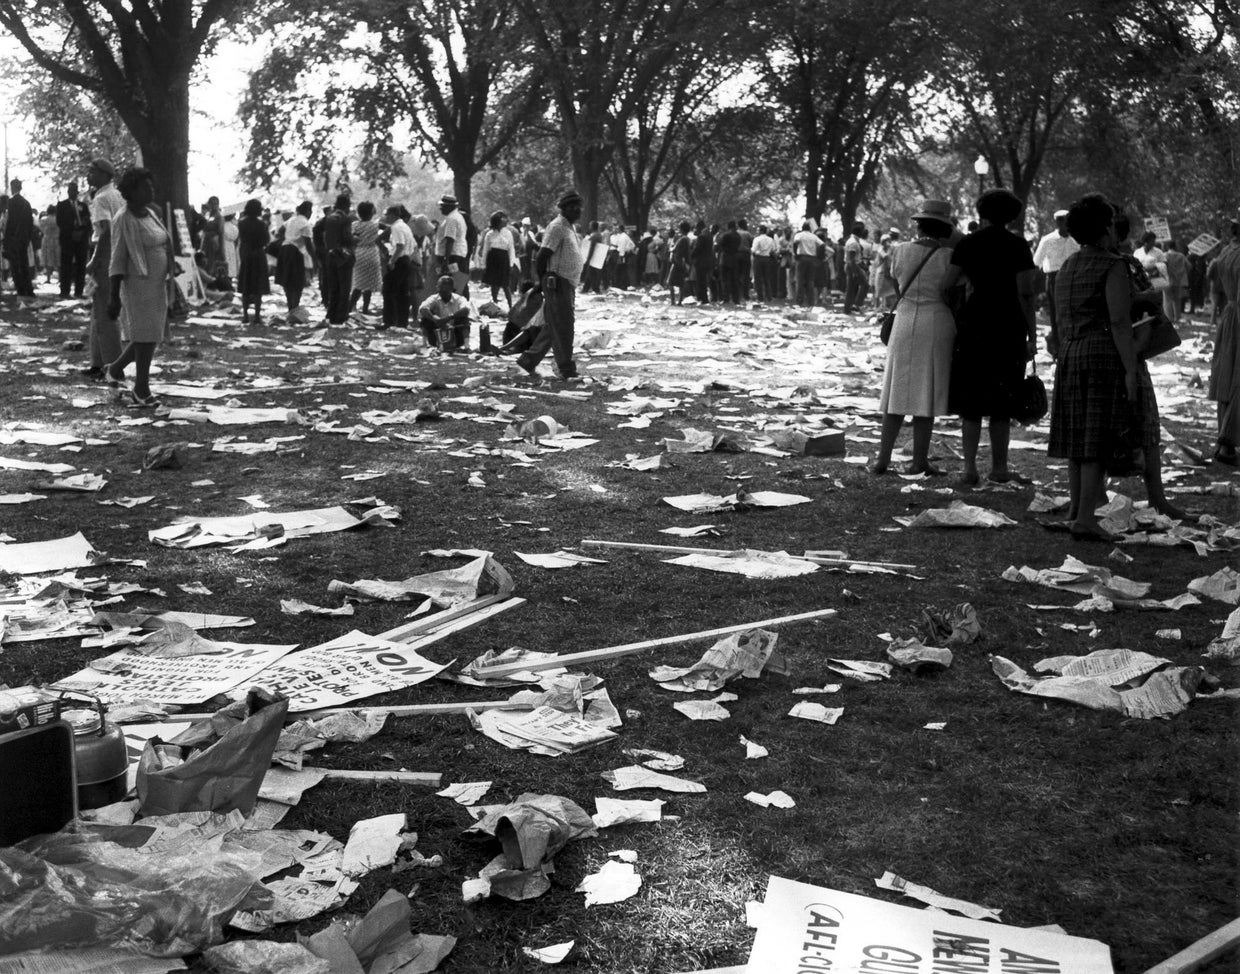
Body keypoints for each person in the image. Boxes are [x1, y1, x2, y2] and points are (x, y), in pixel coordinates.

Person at [1048, 195, 1157, 540]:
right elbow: (1119, 322)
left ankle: (1076, 510)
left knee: (1077, 434)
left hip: (1071, 351)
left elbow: (1063, 317)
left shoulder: (1068, 265)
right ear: (1105, 227)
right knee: (1096, 435)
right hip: (1101, 353)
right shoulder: (1113, 266)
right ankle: (1085, 518)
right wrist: (1129, 369)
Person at [944, 188, 1037, 486]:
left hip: (974, 323)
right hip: (1008, 325)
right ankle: (999, 468)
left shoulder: (968, 244)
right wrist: (1032, 334)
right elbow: (1025, 292)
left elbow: (947, 284)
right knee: (1002, 400)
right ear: (1011, 215)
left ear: (981, 212)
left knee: (970, 401)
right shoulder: (1018, 245)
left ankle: (969, 468)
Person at [869, 201, 957, 476]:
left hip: (905, 320)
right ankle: (919, 459)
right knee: (926, 392)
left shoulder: (900, 251)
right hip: (937, 320)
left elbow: (897, 287)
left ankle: (882, 458)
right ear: (945, 227)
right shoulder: (949, 256)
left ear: (919, 225)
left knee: (897, 389)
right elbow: (952, 293)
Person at [105, 167, 173, 407]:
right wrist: (114, 296)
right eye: (146, 186)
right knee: (144, 336)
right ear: (132, 192)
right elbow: (117, 259)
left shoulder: (152, 213)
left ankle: (115, 369)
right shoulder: (123, 218)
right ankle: (140, 388)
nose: (151, 190)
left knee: (151, 336)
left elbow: (163, 242)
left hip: (157, 285)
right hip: (138, 285)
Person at [517, 189, 585, 380]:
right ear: (564, 209)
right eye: (573, 207)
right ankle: (566, 368)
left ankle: (528, 360)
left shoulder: (569, 227)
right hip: (557, 282)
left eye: (579, 207)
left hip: (567, 282)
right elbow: (542, 257)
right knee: (564, 326)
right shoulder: (557, 227)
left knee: (553, 325)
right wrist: (542, 282)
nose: (577, 210)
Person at [83, 157, 124, 379]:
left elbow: (105, 231)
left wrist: (95, 260)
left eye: (92, 171)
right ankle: (97, 361)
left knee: (105, 313)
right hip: (116, 256)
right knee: (98, 311)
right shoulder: (117, 195)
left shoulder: (101, 198)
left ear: (104, 175)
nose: (89, 175)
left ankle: (111, 364)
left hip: (105, 257)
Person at [1208, 220, 1240, 464]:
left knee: (1226, 378)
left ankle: (1224, 442)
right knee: (1236, 379)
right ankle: (1227, 441)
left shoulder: (1226, 253)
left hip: (1229, 316)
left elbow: (1214, 282)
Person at [1032, 209, 1080, 360]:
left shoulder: (1076, 240)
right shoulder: (1048, 240)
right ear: (1057, 222)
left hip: (1073, 277)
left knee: (1075, 312)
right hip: (1055, 278)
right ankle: (1060, 351)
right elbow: (1036, 262)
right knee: (1057, 315)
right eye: (1061, 221)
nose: (1064, 224)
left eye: (1066, 221)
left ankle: (1074, 348)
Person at [275, 200, 315, 318]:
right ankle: (295, 307)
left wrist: (287, 238)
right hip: (296, 252)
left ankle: (290, 307)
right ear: (307, 211)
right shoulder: (305, 224)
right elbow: (308, 243)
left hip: (285, 249)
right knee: (297, 281)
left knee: (287, 280)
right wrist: (314, 259)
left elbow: (280, 231)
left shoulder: (291, 220)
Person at [381, 205, 417, 330]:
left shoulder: (396, 227)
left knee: (389, 291)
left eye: (386, 214)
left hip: (398, 261)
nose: (385, 217)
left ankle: (389, 321)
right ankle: (402, 322)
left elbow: (400, 246)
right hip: (405, 260)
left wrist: (392, 261)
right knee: (402, 293)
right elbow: (414, 247)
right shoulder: (405, 226)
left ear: (393, 215)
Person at [235, 199, 270, 324]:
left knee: (246, 286)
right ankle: (257, 315)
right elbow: (266, 240)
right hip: (258, 255)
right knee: (258, 288)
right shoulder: (262, 224)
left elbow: (242, 239)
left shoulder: (241, 223)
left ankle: (244, 315)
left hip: (246, 254)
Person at [322, 194, 354, 324]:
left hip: (331, 254)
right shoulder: (345, 219)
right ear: (347, 206)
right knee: (344, 287)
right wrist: (354, 239)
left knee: (334, 287)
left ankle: (331, 314)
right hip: (344, 255)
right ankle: (341, 316)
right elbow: (346, 237)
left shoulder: (329, 218)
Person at [56, 181, 91, 297]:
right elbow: (60, 222)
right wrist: (71, 232)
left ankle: (79, 291)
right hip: (67, 239)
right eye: (71, 190)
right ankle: (64, 291)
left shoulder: (83, 206)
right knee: (66, 265)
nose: (73, 193)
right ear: (68, 192)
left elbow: (87, 222)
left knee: (81, 265)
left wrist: (82, 233)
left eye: (75, 191)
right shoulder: (61, 205)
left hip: (81, 240)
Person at [3, 179, 35, 297]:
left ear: (12, 187)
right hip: (23, 240)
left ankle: (20, 289)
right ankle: (29, 289)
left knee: (15, 266)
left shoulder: (9, 203)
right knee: (24, 264)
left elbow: (8, 223)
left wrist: (6, 240)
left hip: (12, 239)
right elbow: (30, 223)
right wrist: (27, 238)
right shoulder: (26, 203)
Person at [349, 201, 382, 314]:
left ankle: (349, 307)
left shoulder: (354, 225)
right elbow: (390, 228)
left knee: (358, 283)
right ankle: (365, 309)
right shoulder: (375, 225)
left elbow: (352, 238)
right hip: (372, 252)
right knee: (369, 284)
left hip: (359, 253)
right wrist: (378, 239)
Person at [480, 211, 517, 307]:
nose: (505, 221)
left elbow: (511, 249)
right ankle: (494, 304)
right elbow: (485, 250)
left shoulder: (508, 233)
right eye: (503, 219)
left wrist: (511, 263)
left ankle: (510, 305)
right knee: (494, 284)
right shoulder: (489, 234)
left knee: (505, 284)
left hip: (504, 259)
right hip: (492, 259)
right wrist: (483, 265)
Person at [434, 194, 469, 293]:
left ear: (449, 206)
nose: (440, 208)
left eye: (442, 206)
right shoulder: (456, 217)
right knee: (458, 283)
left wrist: (446, 259)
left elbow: (450, 240)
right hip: (456, 254)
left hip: (452, 256)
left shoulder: (452, 219)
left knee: (451, 284)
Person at [842, 222, 870, 313]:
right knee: (864, 285)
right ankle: (856, 304)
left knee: (851, 289)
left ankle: (849, 308)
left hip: (854, 265)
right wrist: (855, 271)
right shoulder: (853, 242)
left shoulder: (854, 241)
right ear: (859, 231)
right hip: (853, 266)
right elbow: (851, 259)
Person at [792, 221, 818, 307]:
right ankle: (811, 302)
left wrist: (795, 254)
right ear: (810, 229)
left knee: (800, 280)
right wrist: (819, 257)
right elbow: (821, 244)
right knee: (810, 281)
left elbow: (795, 243)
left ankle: (799, 301)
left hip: (801, 258)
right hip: (812, 259)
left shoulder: (799, 235)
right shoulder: (813, 236)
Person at [1162, 241, 1188, 324]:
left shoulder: (1164, 255)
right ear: (1175, 246)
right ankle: (1177, 318)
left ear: (1167, 247)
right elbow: (1189, 266)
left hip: (1167, 280)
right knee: (1177, 300)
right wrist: (1181, 273)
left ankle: (1169, 319)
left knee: (1167, 300)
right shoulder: (1181, 256)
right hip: (1178, 281)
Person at [716, 220, 742, 304]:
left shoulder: (726, 235)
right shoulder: (738, 236)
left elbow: (719, 245)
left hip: (725, 258)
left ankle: (725, 298)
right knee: (734, 279)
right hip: (734, 258)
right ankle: (736, 299)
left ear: (728, 227)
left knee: (724, 279)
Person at [666, 220, 691, 305]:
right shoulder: (686, 239)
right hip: (681, 262)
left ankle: (674, 301)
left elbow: (675, 249)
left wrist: (671, 248)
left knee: (670, 282)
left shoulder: (682, 239)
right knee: (680, 283)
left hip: (677, 262)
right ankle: (679, 301)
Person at [751, 225, 776, 302]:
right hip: (767, 259)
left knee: (758, 279)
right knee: (767, 278)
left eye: (758, 230)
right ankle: (769, 297)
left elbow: (753, 250)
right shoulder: (770, 239)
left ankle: (760, 297)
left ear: (761, 231)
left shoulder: (757, 239)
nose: (757, 232)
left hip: (758, 259)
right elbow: (773, 250)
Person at [690, 221, 714, 304]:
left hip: (701, 261)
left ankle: (703, 299)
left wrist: (691, 255)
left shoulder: (702, 236)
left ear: (699, 227)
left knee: (700, 280)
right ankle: (704, 298)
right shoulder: (709, 234)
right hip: (708, 260)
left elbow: (698, 248)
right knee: (704, 280)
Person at [39, 206, 58, 285]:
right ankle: (60, 278)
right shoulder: (58, 219)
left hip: (46, 239)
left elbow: (41, 228)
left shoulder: (43, 220)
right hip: (57, 239)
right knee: (57, 257)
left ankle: (48, 278)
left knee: (47, 258)